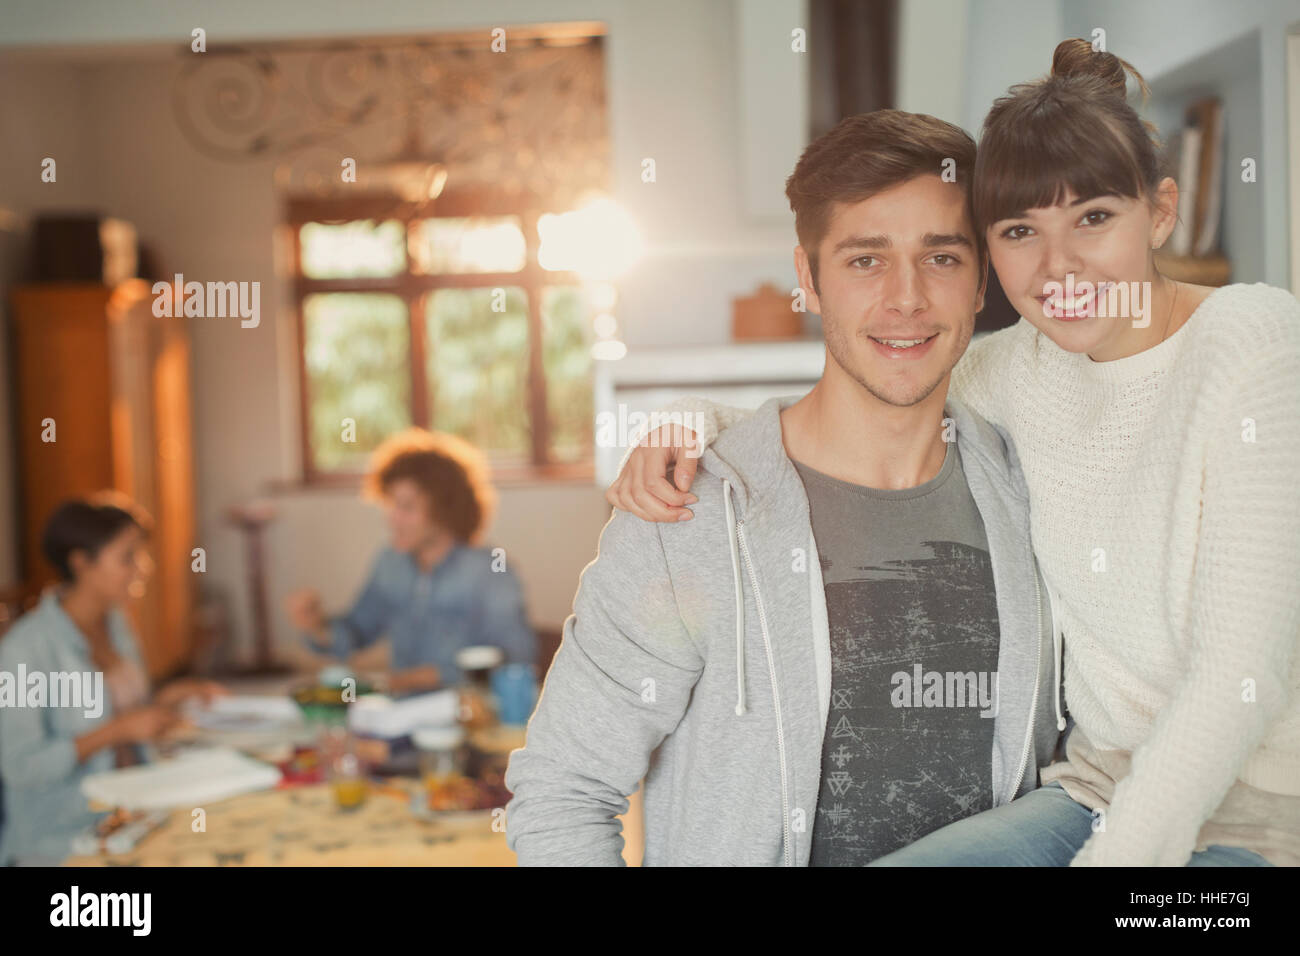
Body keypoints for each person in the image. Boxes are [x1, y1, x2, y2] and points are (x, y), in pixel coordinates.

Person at [605, 39, 1300, 867]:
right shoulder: (1021, 367)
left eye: (1095, 218)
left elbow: (1238, 673)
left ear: (1160, 211)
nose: (1059, 266)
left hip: (1262, 815)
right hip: (1091, 794)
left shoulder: (1256, 344)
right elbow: (857, 399)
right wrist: (688, 423)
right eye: (1019, 231)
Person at [506, 109, 1064, 866]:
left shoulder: (1036, 489)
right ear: (809, 280)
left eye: (940, 258)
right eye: (865, 261)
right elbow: (563, 793)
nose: (906, 299)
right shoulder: (690, 514)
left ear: (979, 282)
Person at [0, 496, 224, 865]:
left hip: (138, 810)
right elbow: (21, 767)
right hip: (68, 838)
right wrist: (116, 731)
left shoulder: (116, 622)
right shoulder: (24, 649)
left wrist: (168, 700)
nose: (144, 567)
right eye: (128, 557)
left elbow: (126, 711)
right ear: (81, 562)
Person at [287, 428, 536, 694]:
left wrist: (417, 679)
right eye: (390, 505)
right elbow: (357, 630)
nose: (392, 518)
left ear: (445, 510)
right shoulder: (390, 562)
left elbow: (516, 658)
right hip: (400, 712)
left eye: (407, 508)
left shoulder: (490, 571)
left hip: (467, 714)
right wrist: (316, 626)